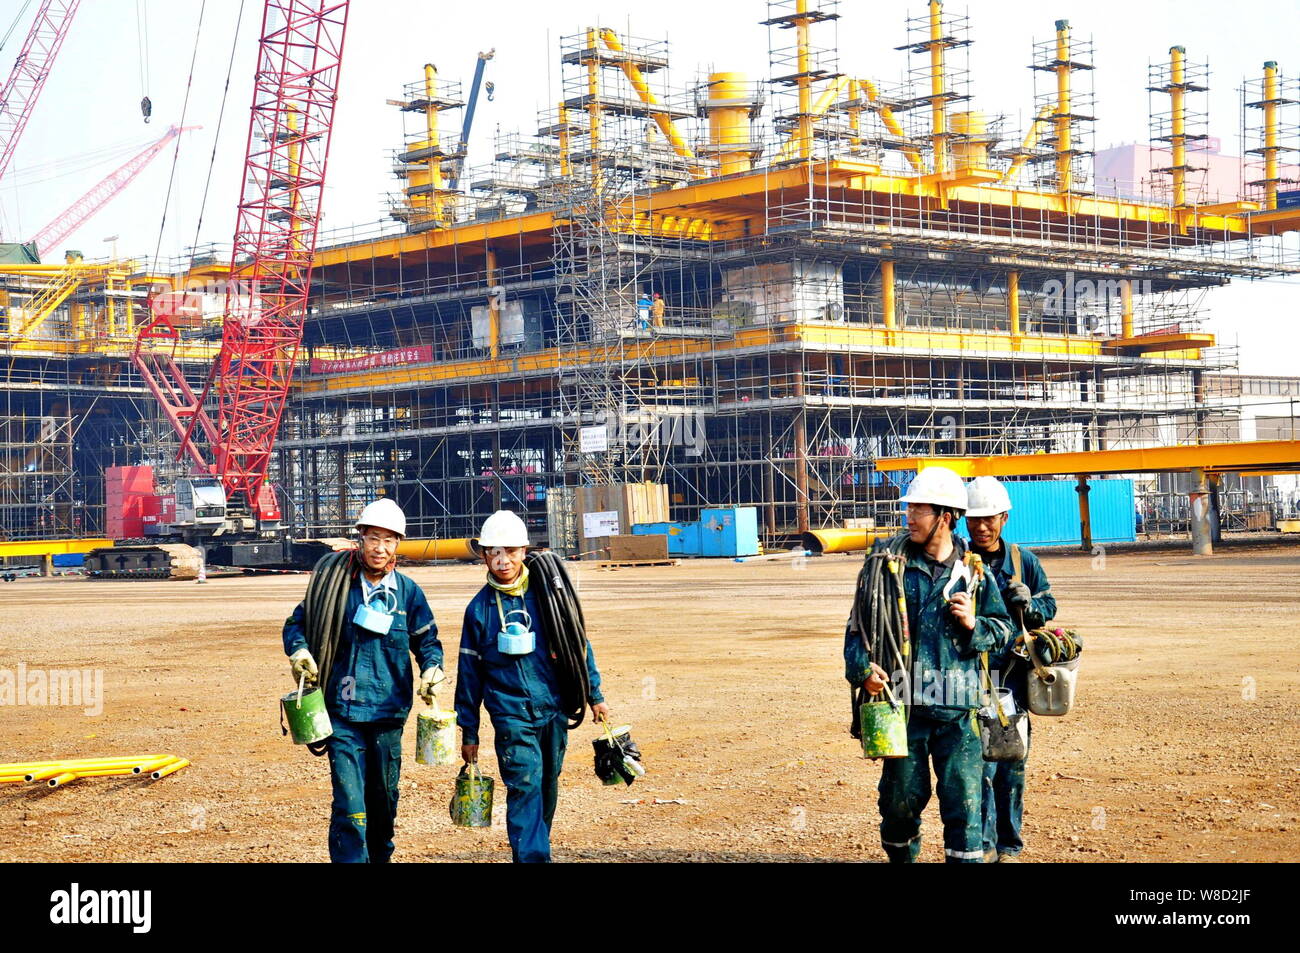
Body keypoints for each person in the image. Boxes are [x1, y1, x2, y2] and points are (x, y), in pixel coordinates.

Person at [845, 466, 1013, 863]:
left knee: (966, 806)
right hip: (903, 709)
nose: (908, 518)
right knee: (900, 804)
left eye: (918, 510)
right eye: (909, 509)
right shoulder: (887, 567)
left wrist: (975, 623)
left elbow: (1004, 630)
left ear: (946, 516)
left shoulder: (974, 573)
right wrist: (862, 671)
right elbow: (857, 631)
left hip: (959, 711)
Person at [282, 498, 443, 863]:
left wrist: (433, 668)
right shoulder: (335, 585)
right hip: (343, 713)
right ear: (361, 538)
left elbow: (427, 641)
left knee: (383, 804)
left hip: (388, 715)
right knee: (351, 807)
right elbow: (296, 625)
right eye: (374, 538)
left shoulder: (409, 593)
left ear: (398, 544)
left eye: (389, 540)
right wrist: (300, 652)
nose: (380, 548)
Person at [455, 510, 609, 862]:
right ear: (483, 556)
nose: (502, 560)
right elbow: (469, 675)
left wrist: (594, 694)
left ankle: (537, 846)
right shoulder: (479, 610)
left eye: (510, 551)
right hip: (510, 715)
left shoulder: (548, 599)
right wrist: (469, 731)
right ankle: (533, 857)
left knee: (546, 784)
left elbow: (577, 645)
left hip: (553, 707)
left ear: (524, 550)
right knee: (524, 786)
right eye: (494, 552)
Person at [964, 476, 1057, 863]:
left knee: (1011, 766)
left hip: (1013, 680)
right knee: (977, 767)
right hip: (969, 678)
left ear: (1004, 518)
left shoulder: (1023, 561)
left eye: (989, 519)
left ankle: (1009, 848)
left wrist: (1031, 604)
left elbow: (1049, 607)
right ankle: (983, 847)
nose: (981, 527)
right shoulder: (956, 559)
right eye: (974, 520)